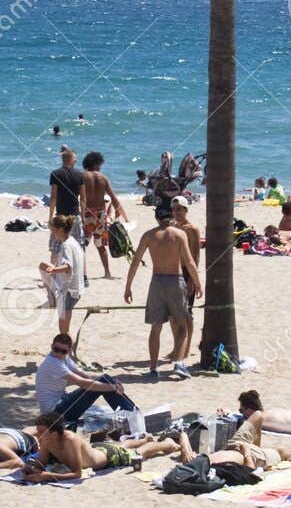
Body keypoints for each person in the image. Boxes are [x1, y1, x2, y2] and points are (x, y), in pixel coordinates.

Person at [124, 209, 203, 380]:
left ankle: (153, 368)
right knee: (182, 325)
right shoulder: (179, 234)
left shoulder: (149, 235)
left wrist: (128, 286)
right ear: (171, 217)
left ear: (156, 218)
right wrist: (197, 283)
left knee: (156, 327)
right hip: (176, 280)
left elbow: (135, 262)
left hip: (157, 282)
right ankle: (179, 364)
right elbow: (189, 262)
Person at [20, 412, 179, 481]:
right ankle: (144, 439)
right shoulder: (47, 441)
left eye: (41, 432)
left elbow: (77, 474)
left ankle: (168, 444)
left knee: (138, 453)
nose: (37, 435)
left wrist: (46, 476)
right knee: (121, 446)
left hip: (109, 457)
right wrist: (31, 469)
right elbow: (41, 463)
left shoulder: (71, 440)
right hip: (98, 448)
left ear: (54, 433)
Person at [35, 333, 138, 423]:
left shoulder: (64, 358)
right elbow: (83, 383)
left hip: (61, 403)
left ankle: (132, 413)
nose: (58, 353)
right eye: (56, 349)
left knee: (104, 378)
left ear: (69, 351)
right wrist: (114, 388)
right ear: (51, 347)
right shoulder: (53, 363)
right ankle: (133, 416)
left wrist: (112, 383)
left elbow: (84, 375)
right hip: (55, 414)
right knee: (104, 384)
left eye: (63, 351)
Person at [78, 151, 127, 280]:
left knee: (82, 245)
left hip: (87, 213)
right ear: (96, 163)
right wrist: (124, 216)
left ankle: (83, 274)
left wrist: (80, 214)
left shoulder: (83, 176)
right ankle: (107, 272)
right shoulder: (103, 178)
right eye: (100, 164)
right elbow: (114, 198)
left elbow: (80, 197)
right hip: (100, 214)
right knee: (100, 245)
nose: (100, 167)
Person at [39, 215, 86, 335]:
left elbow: (68, 266)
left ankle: (67, 344)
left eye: (53, 231)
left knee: (63, 329)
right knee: (42, 265)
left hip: (69, 290)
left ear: (60, 229)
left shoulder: (66, 245)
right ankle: (51, 295)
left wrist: (54, 269)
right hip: (76, 287)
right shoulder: (73, 241)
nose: (53, 234)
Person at [171, 197, 204, 313]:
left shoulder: (191, 229)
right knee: (174, 311)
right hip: (174, 272)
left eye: (179, 209)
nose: (176, 212)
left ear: (186, 210)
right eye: (174, 209)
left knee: (186, 312)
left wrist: (191, 280)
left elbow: (196, 255)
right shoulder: (173, 226)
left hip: (186, 272)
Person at [47, 148, 86, 244]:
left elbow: (53, 197)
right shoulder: (80, 175)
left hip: (61, 215)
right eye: (75, 159)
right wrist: (83, 215)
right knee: (78, 245)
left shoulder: (55, 174)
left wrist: (50, 216)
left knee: (57, 246)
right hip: (75, 215)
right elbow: (83, 198)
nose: (76, 161)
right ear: (71, 160)